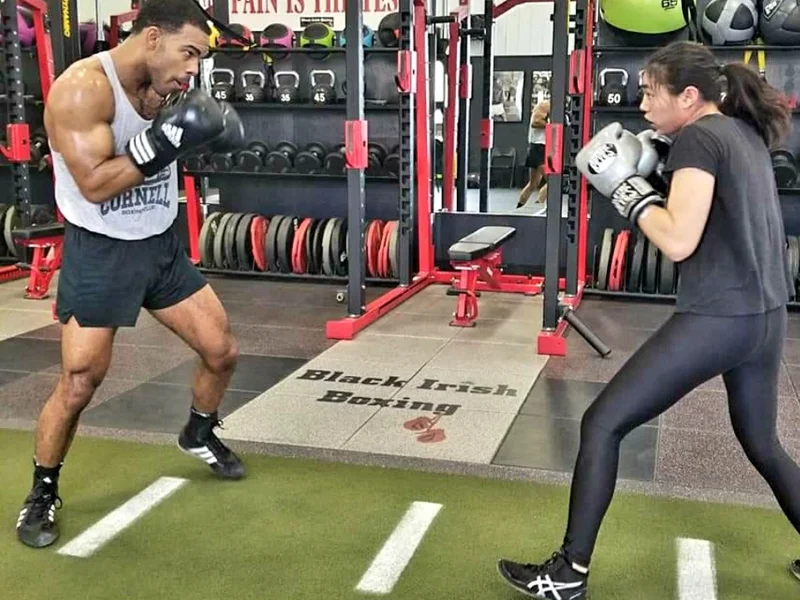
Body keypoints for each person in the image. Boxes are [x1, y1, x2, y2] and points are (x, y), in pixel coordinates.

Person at [496, 39, 800, 598]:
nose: (641, 104)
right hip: (764, 316)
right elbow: (716, 216)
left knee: (603, 423)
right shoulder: (740, 132)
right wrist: (659, 170)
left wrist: (627, 191)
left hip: (720, 316)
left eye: (650, 92)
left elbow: (680, 240)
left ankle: (569, 573)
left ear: (688, 96)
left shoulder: (701, 139)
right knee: (762, 442)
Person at [15, 0, 248, 549]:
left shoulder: (168, 84)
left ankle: (197, 430)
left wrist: (207, 139)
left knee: (222, 351)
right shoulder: (82, 90)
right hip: (100, 250)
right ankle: (42, 492)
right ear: (151, 38)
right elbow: (94, 183)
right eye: (189, 53)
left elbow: (178, 141)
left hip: (161, 245)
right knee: (79, 382)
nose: (194, 69)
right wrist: (167, 140)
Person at [517, 98, 550, 208]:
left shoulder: (551, 106)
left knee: (533, 184)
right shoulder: (546, 105)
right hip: (539, 147)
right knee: (553, 182)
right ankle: (539, 206)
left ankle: (519, 209)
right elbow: (535, 122)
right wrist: (553, 124)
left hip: (537, 147)